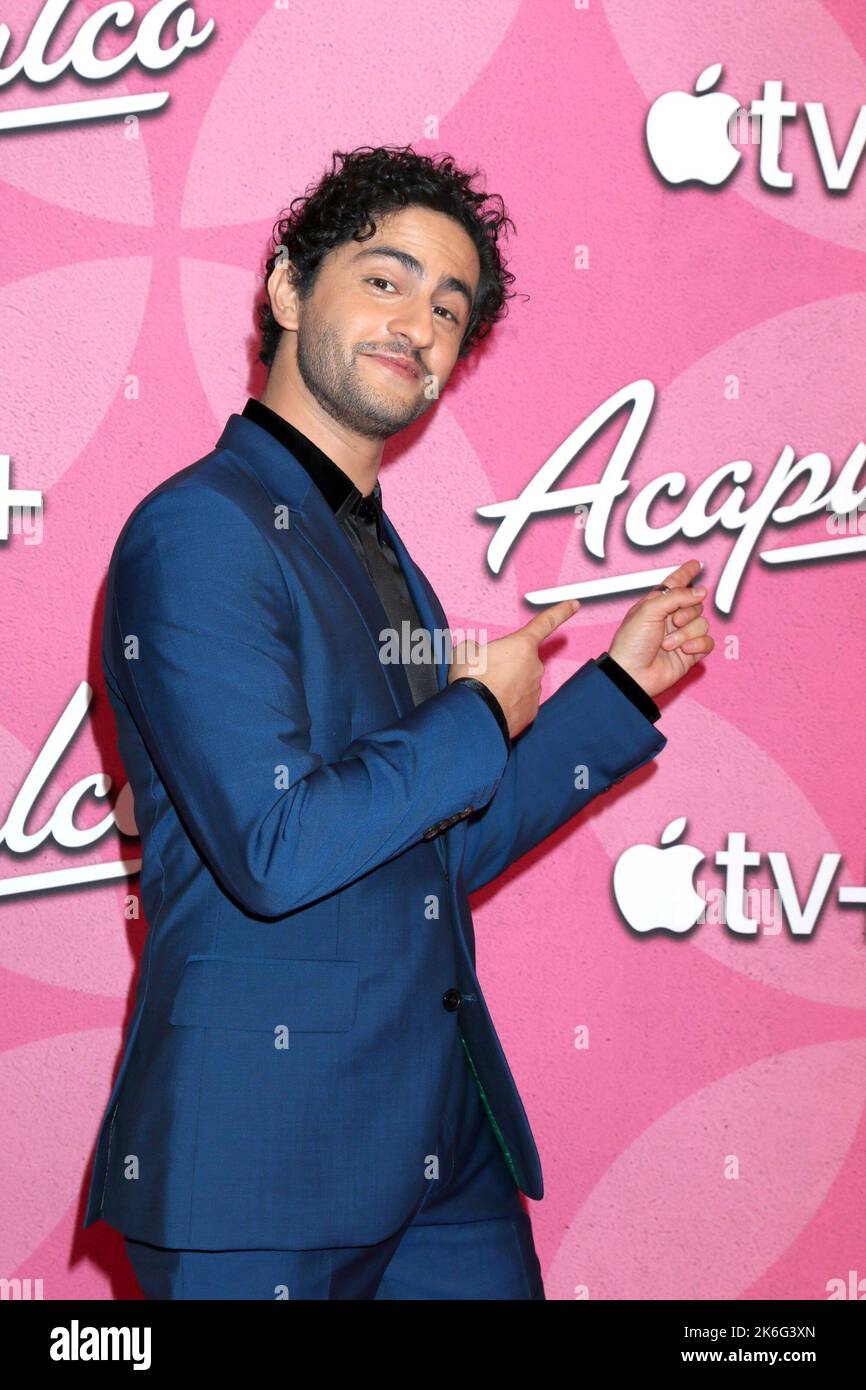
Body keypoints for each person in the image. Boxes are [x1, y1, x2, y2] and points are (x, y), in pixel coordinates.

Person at [83, 145, 713, 1299]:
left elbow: (434, 849)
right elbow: (277, 850)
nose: (418, 323)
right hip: (256, 1172)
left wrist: (613, 694)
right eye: (385, 278)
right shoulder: (198, 531)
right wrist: (476, 707)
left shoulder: (383, 559)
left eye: (447, 306)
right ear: (284, 289)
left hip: (440, 1151)